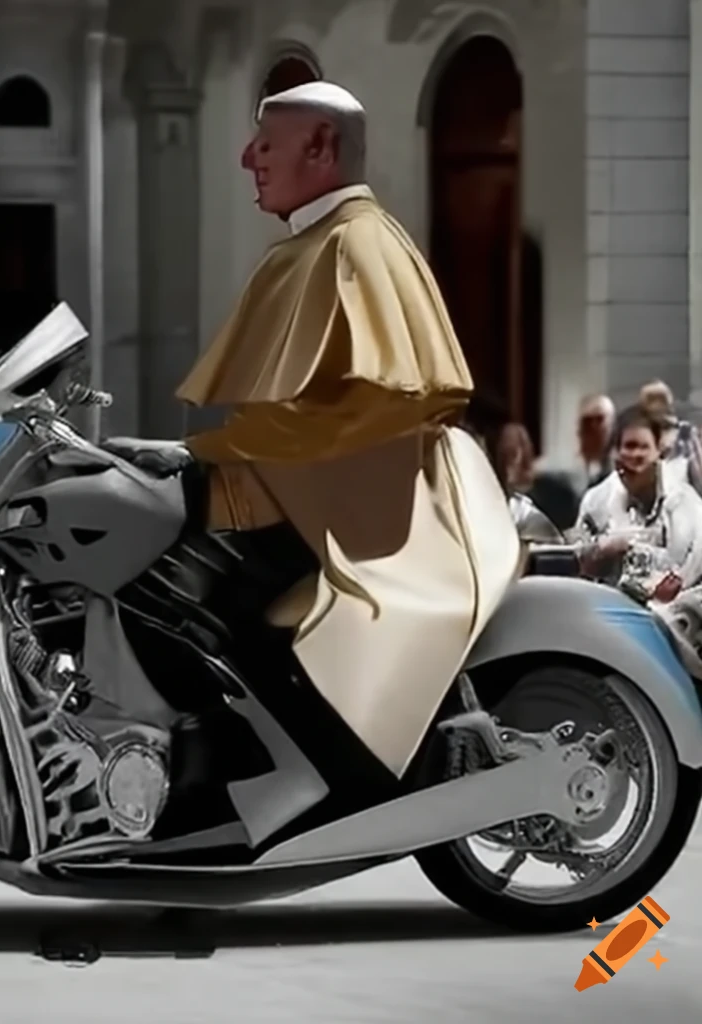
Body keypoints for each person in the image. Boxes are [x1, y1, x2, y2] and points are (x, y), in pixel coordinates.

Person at [108, 81, 520, 779]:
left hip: (335, 525)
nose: (247, 158)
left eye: (266, 143)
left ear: (320, 148)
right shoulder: (320, 241)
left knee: (156, 605)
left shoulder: (356, 244)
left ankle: (245, 775)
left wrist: (198, 452)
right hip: (295, 507)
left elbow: (384, 404)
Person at [572, 409, 702, 599]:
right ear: (615, 456)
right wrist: (601, 552)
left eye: (643, 447)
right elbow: (577, 562)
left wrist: (631, 547)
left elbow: (681, 568)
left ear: (659, 453)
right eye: (629, 446)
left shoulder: (683, 503)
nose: (636, 456)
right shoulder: (596, 501)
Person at [636, 378, 702, 493]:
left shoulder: (684, 433)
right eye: (651, 400)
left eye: (660, 400)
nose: (656, 406)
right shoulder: (635, 435)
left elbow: (698, 475)